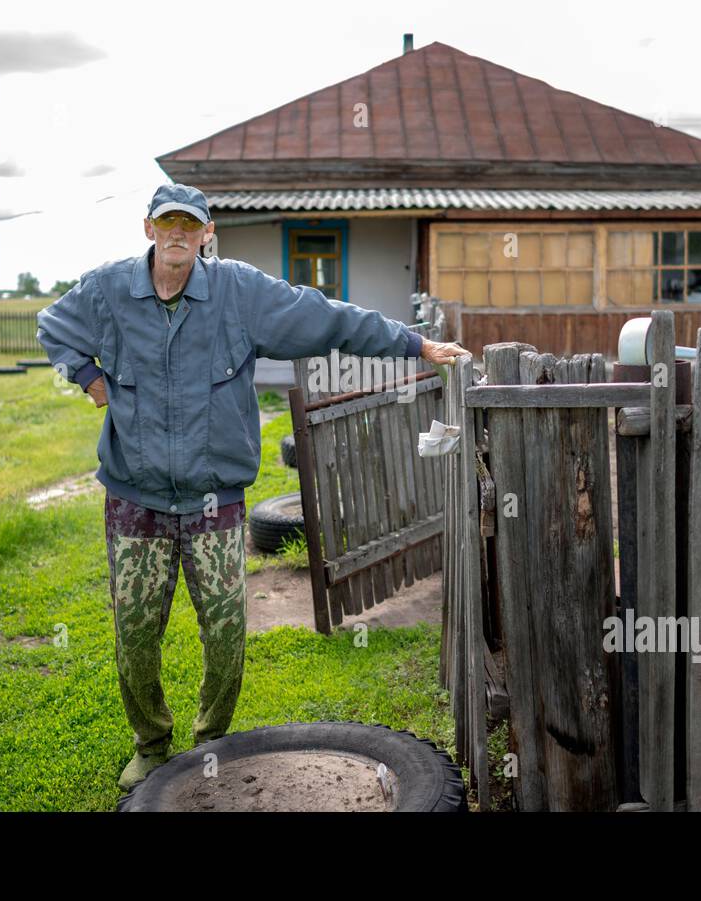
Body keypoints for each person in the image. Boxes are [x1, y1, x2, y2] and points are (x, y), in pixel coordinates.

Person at [36, 182, 470, 790]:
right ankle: (151, 743)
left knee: (225, 630)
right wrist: (86, 376)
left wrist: (413, 343)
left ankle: (211, 740)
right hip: (135, 498)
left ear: (207, 234)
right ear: (148, 229)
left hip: (216, 499)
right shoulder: (108, 291)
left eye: (192, 224)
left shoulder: (239, 293)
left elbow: (326, 318)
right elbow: (52, 326)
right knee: (134, 631)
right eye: (169, 224)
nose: (179, 234)